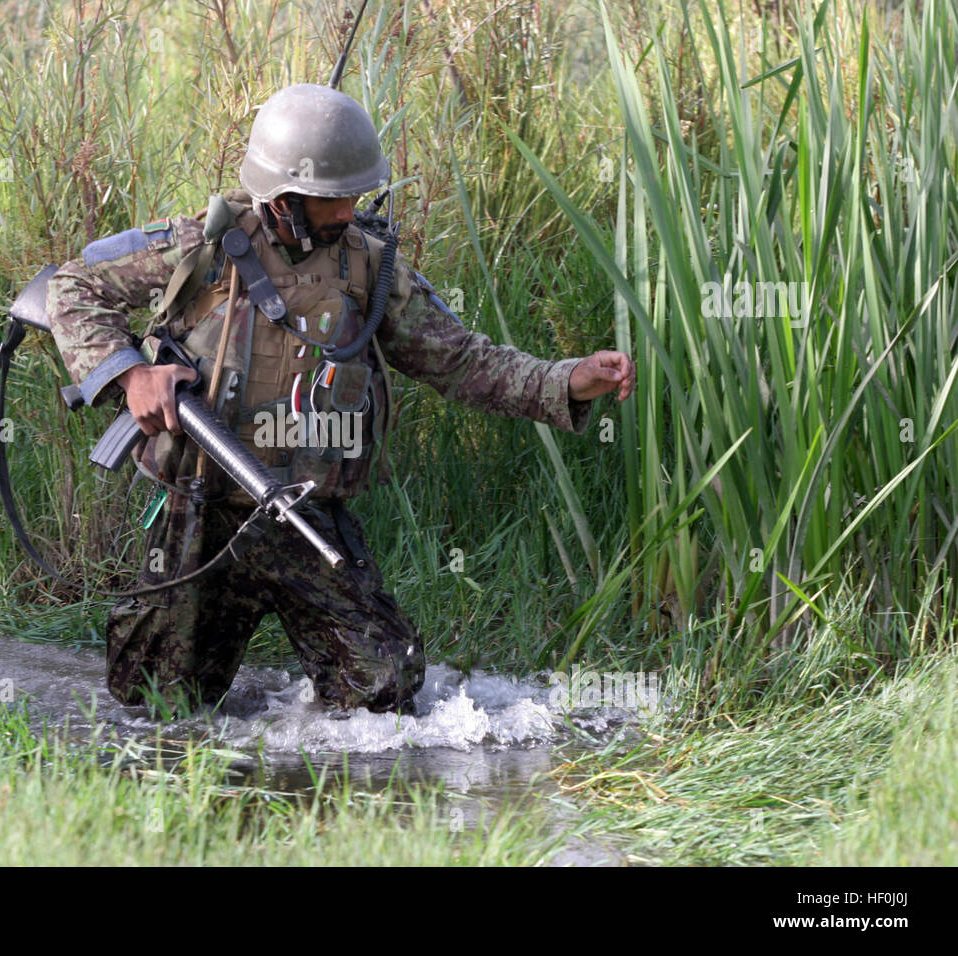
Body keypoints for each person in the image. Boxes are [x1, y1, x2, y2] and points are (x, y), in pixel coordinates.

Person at [47, 83, 634, 716]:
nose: (349, 212)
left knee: (383, 691)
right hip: (200, 509)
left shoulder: (370, 269)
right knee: (155, 702)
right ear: (284, 197)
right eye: (334, 199)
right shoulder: (202, 246)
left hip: (304, 517)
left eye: (355, 195)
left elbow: (462, 361)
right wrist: (131, 374)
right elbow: (73, 286)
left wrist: (566, 379)